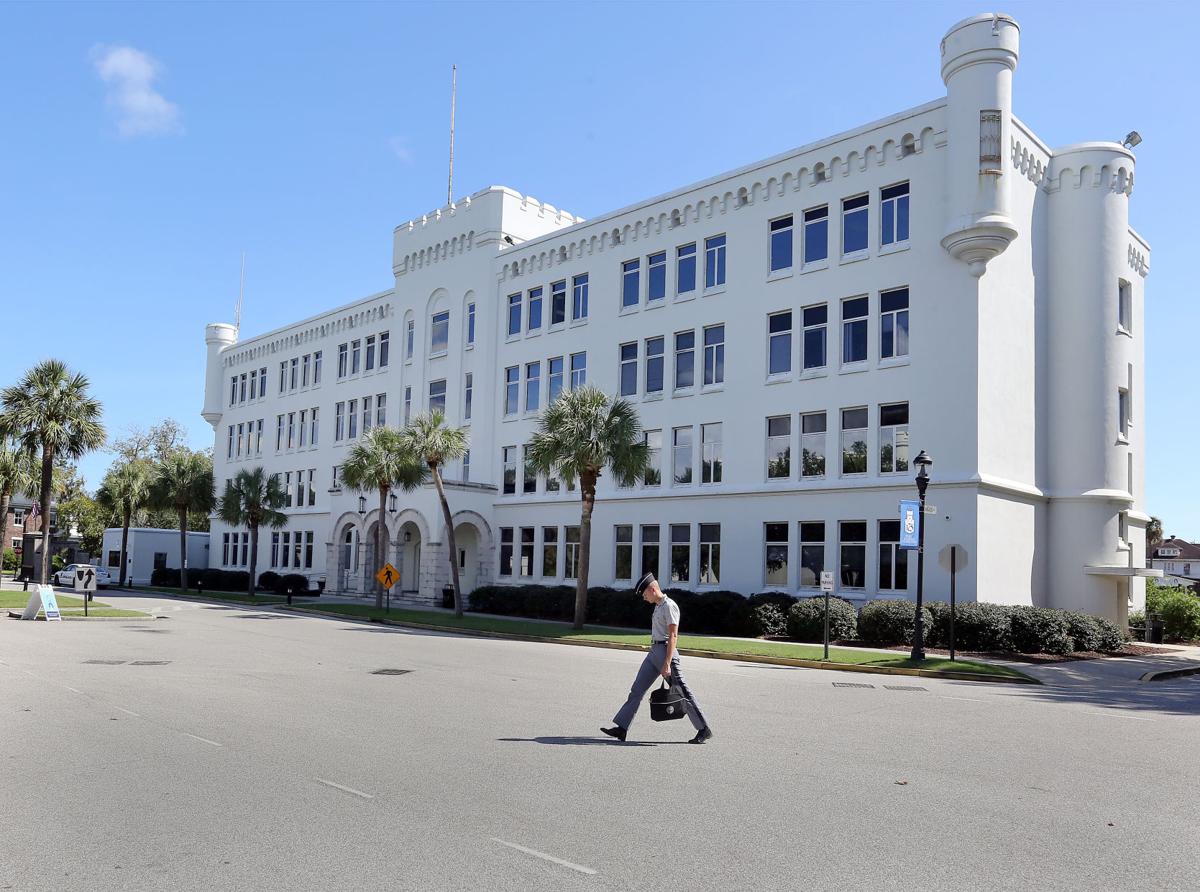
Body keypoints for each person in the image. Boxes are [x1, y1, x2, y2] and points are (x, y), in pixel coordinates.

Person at [602, 571, 713, 744]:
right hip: (654, 652)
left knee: (682, 690)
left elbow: (673, 636)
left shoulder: (669, 606)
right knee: (637, 690)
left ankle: (703, 728)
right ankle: (622, 728)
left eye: (644, 594)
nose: (643, 598)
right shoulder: (659, 606)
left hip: (666, 652)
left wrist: (667, 663)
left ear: (653, 589)